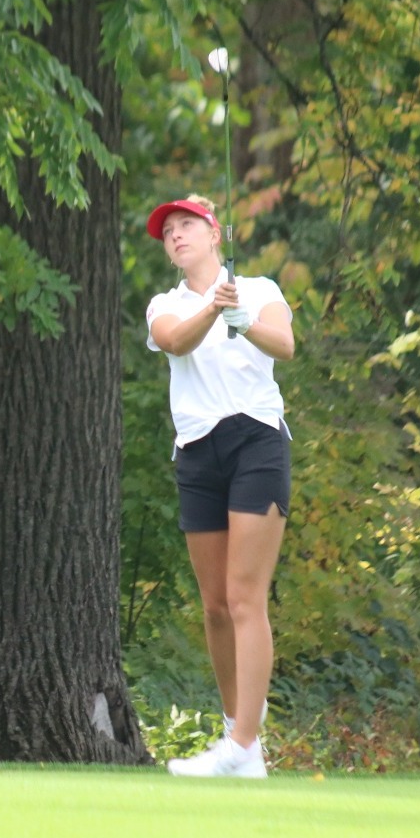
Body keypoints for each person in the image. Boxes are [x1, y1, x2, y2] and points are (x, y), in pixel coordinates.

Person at [143, 196, 295, 778]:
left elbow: (284, 346)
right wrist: (214, 311)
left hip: (256, 440)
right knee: (213, 607)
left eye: (187, 226)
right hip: (197, 451)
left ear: (214, 235)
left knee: (243, 597)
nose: (176, 236)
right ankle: (241, 748)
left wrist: (243, 321)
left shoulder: (258, 289)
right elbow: (176, 340)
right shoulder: (166, 303)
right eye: (168, 232)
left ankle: (241, 744)